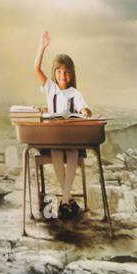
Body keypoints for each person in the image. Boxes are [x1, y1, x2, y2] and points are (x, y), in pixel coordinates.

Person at [33, 30, 91, 219]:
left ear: (71, 74)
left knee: (72, 153)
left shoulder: (75, 92)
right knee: (57, 154)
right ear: (55, 74)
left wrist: (84, 112)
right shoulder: (51, 88)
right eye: (59, 72)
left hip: (72, 138)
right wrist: (42, 47)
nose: (62, 75)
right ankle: (68, 201)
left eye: (66, 72)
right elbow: (36, 69)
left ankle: (65, 202)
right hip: (55, 137)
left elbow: (84, 109)